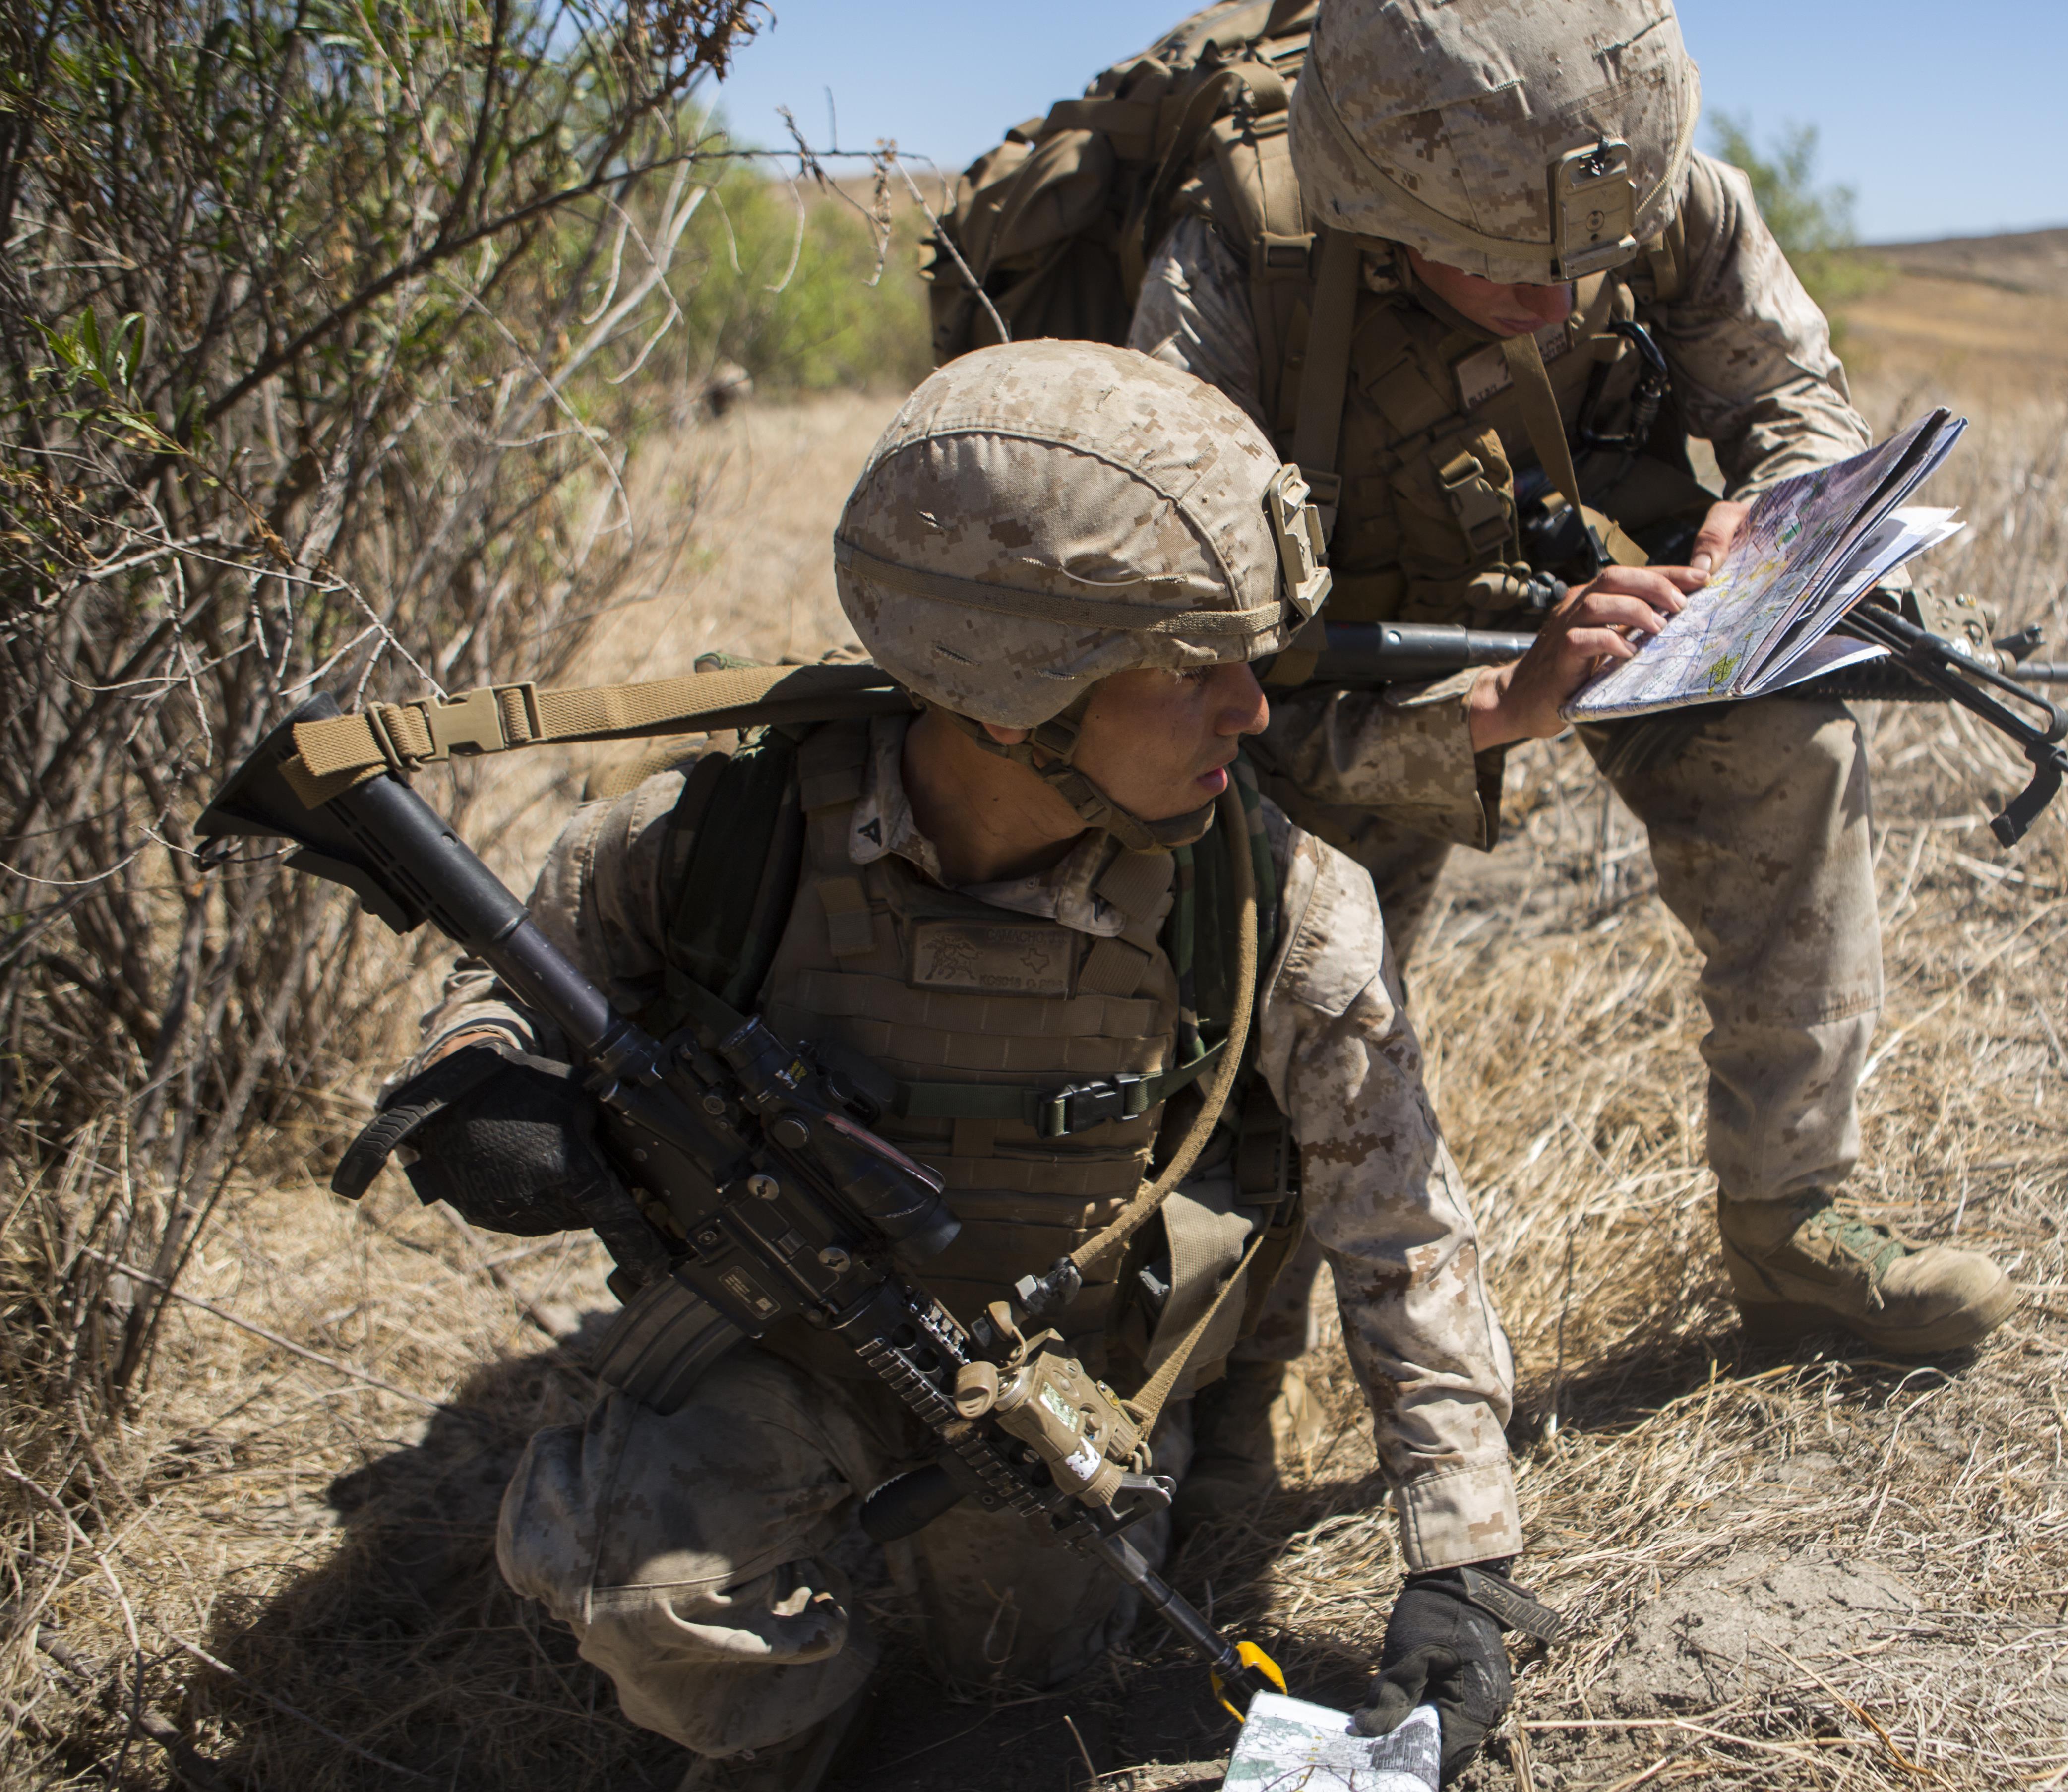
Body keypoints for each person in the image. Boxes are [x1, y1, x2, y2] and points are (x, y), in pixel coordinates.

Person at [395, 341, 1541, 1792]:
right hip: (772, 1344)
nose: (1253, 710)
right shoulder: (714, 844)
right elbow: (507, 980)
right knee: (634, 1584)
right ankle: (800, 1724)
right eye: (1193, 671)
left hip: (1053, 1391)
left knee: (1025, 1674)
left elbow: (1402, 1227)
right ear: (1014, 696)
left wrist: (1462, 1555)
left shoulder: (1269, 902)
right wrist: (481, 1082)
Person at [1122, 0, 2021, 1484]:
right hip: (1339, 684)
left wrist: (1767, 520)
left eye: (1582, 267)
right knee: (1276, 983)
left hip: (1630, 598)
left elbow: (1796, 397)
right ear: (1377, 206)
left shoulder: (1643, 190)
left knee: (1792, 745)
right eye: (1503, 272)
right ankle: (1228, 1392)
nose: (1557, 305)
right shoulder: (1232, 277)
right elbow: (1194, 691)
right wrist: (1491, 714)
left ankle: (1794, 1223)